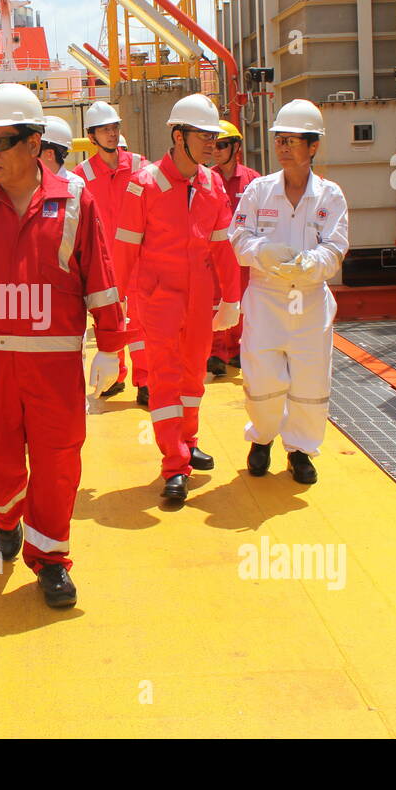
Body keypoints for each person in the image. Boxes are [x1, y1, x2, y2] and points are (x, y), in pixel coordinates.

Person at [0, 83, 131, 607]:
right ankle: (5, 514)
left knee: (58, 464)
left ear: (35, 144)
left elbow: (100, 278)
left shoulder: (75, 200)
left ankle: (51, 559)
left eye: (0, 143)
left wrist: (110, 344)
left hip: (53, 367)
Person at [112, 93, 242, 504]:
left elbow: (222, 246)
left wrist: (231, 298)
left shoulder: (211, 183)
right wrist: (116, 304)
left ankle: (189, 440)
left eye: (214, 137)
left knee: (193, 377)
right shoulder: (144, 184)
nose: (210, 144)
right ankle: (174, 463)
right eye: (202, 136)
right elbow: (124, 249)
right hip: (158, 298)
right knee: (166, 379)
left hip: (200, 298)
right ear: (177, 135)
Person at [230, 99, 350, 485]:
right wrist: (262, 253)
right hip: (266, 300)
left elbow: (336, 247)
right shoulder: (258, 192)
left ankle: (299, 450)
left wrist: (311, 263)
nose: (282, 147)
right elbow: (238, 237)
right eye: (279, 140)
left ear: (313, 146)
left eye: (291, 140)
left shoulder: (330, 197)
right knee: (263, 380)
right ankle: (261, 439)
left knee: (310, 384)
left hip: (310, 302)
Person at [75, 100, 149, 401]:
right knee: (110, 318)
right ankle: (115, 375)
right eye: (104, 129)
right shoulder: (81, 175)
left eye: (114, 128)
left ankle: (145, 380)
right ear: (91, 136)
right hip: (105, 261)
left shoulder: (139, 165)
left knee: (143, 321)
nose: (111, 134)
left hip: (140, 257)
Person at [207, 119, 261, 377]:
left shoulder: (253, 181)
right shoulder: (206, 179)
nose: (216, 150)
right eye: (214, 145)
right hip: (214, 252)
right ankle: (215, 353)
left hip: (243, 254)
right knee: (215, 301)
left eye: (222, 144)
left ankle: (236, 350)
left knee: (240, 300)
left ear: (235, 147)